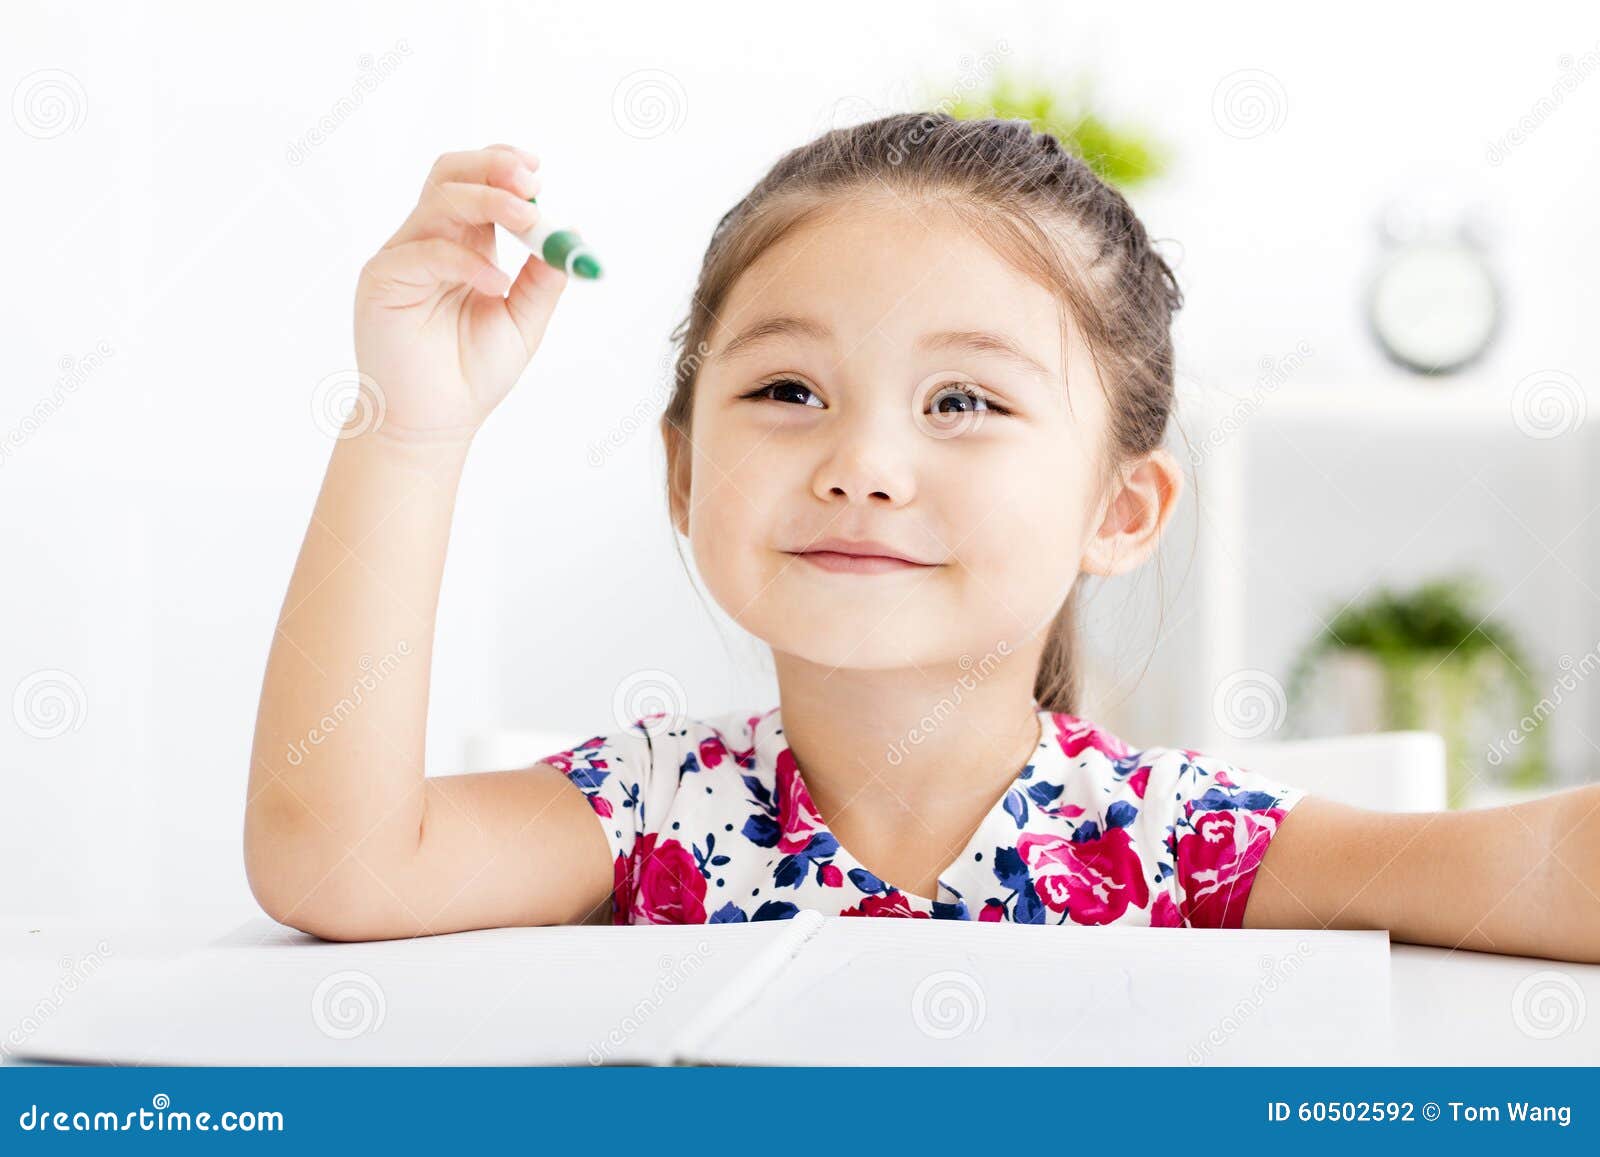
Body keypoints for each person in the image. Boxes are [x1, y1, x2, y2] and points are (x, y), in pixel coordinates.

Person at [243, 115, 1599, 962]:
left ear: (1117, 512)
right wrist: (410, 425)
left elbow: (1539, 870)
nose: (862, 465)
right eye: (787, 392)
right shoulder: (646, 814)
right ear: (682, 470)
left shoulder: (1169, 839)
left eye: (965, 401)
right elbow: (340, 863)